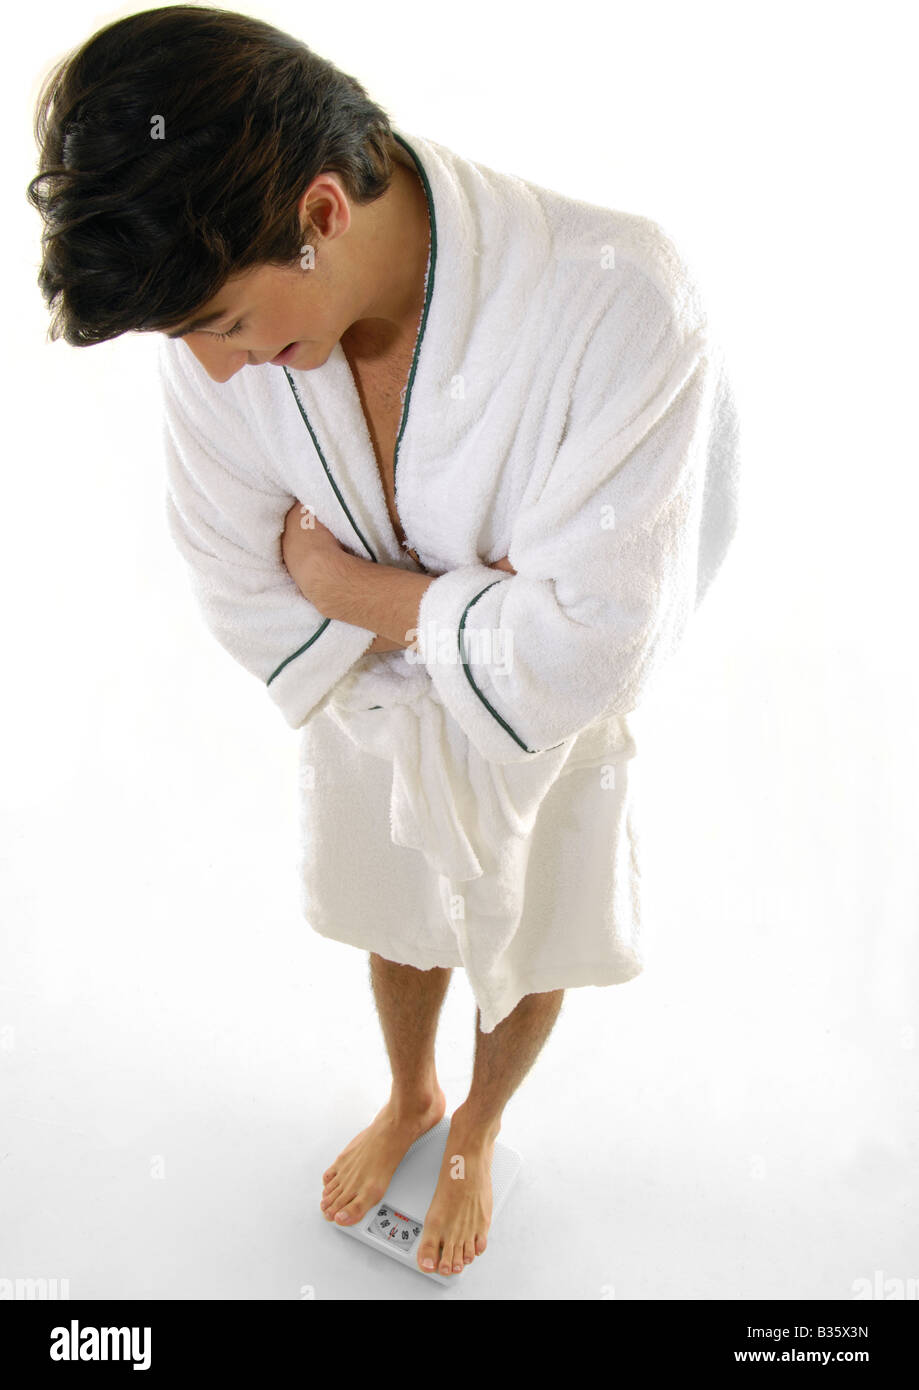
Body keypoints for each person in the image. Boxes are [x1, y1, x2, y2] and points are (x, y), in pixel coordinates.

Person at [28, 6, 741, 1280]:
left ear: (318, 212)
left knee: (526, 916)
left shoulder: (620, 300)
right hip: (382, 698)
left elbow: (588, 641)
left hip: (540, 718)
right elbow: (229, 566)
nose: (218, 373)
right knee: (395, 903)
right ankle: (413, 1091)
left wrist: (349, 581)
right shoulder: (224, 330)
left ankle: (477, 1122)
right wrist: (474, 604)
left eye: (228, 325)